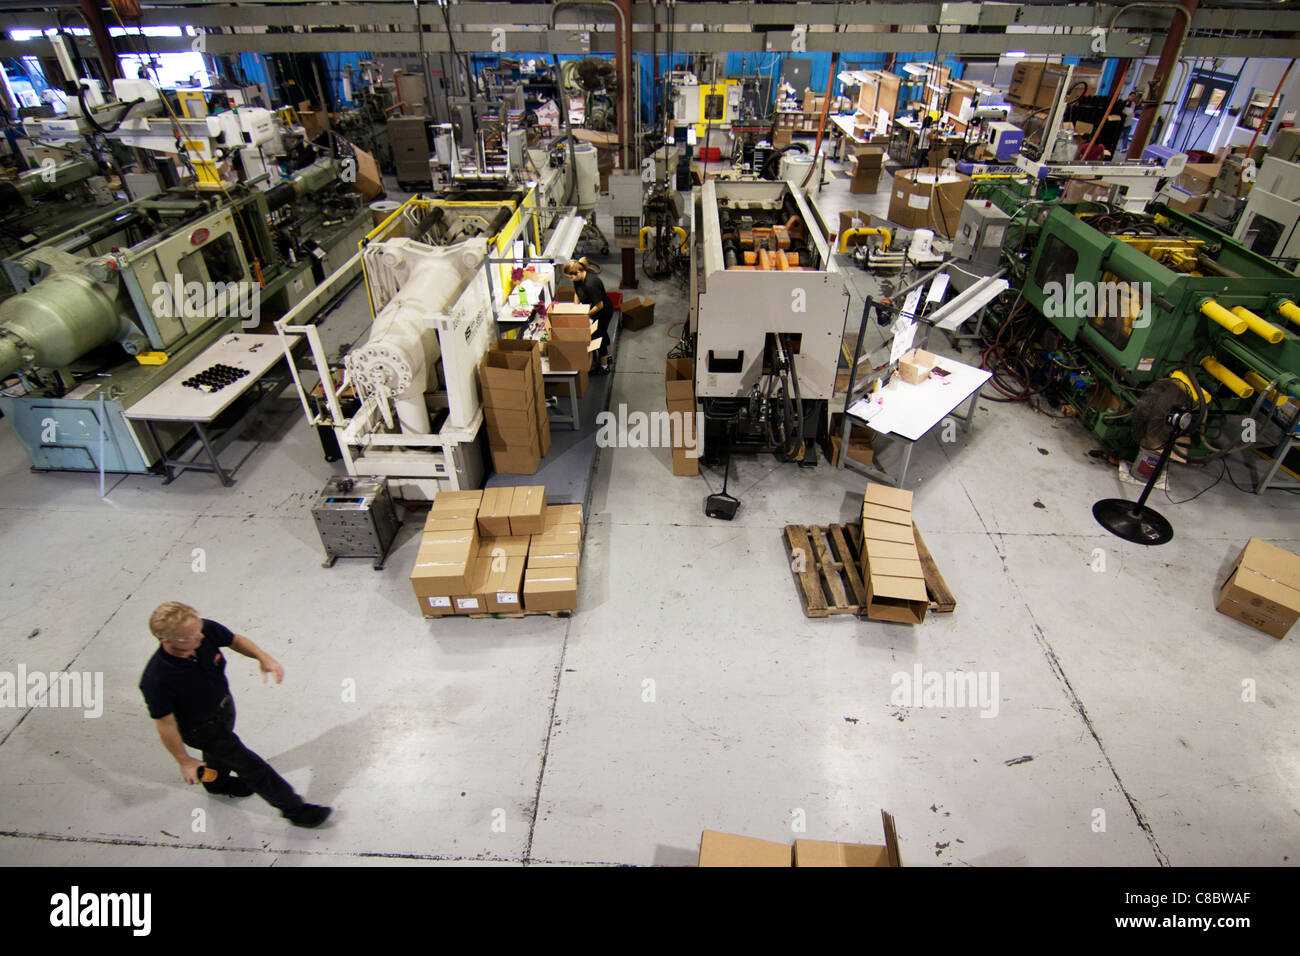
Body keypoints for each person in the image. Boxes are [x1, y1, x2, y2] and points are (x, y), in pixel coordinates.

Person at [139, 602, 331, 829]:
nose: (200, 637)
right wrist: (184, 761)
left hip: (225, 708)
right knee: (251, 766)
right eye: (191, 636)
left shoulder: (202, 631)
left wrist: (262, 657)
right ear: (167, 641)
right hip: (201, 728)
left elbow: (234, 640)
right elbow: (165, 724)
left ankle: (216, 783)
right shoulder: (157, 679)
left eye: (199, 629)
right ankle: (295, 810)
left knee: (220, 754)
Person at [563, 257, 613, 375]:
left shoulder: (591, 284)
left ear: (578, 272)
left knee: (598, 336)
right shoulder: (578, 279)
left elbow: (599, 305)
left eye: (571, 277)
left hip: (602, 311)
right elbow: (577, 292)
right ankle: (608, 356)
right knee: (603, 333)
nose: (571, 279)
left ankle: (604, 366)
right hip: (592, 308)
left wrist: (585, 314)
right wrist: (576, 307)